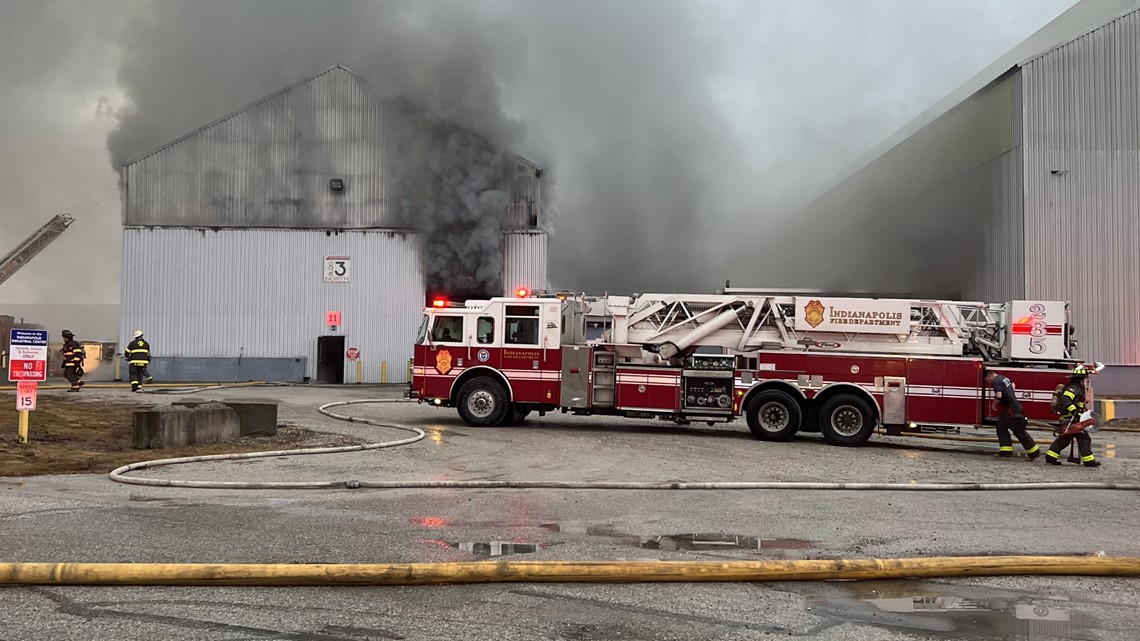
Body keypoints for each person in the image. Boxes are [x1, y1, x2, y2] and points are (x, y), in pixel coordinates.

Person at [1045, 364, 1101, 467]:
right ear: (1081, 378)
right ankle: (1089, 461)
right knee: (1084, 438)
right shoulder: (1074, 388)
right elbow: (1066, 399)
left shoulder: (1076, 387)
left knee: (1064, 439)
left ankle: (1050, 457)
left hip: (1070, 417)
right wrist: (1074, 410)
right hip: (1071, 418)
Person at [984, 369, 1039, 460]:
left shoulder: (996, 381)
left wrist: (993, 404)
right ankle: (1006, 450)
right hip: (1012, 407)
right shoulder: (1003, 378)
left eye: (987, 380)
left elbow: (998, 395)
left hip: (1011, 409)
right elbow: (1013, 385)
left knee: (1018, 430)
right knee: (1001, 427)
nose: (988, 382)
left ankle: (1034, 452)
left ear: (990, 376)